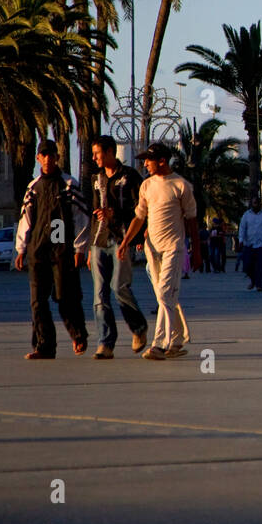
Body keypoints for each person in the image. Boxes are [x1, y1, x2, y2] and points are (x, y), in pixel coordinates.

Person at [117, 143, 202, 360]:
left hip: (173, 247)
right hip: (151, 248)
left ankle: (159, 344)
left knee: (165, 293)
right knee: (164, 296)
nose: (145, 163)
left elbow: (192, 220)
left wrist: (197, 251)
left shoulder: (181, 185)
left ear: (162, 161)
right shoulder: (146, 185)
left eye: (149, 160)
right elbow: (139, 217)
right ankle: (176, 339)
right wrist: (126, 241)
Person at [14, 139, 90, 359]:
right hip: (37, 250)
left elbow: (81, 217)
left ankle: (78, 336)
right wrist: (21, 248)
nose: (47, 159)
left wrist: (79, 248)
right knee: (37, 301)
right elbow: (25, 220)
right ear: (38, 158)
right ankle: (44, 346)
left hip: (61, 249)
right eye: (43, 155)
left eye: (51, 155)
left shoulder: (69, 184)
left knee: (65, 296)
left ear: (57, 157)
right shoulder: (33, 187)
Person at [89, 135, 150, 358]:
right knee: (99, 294)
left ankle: (138, 328)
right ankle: (105, 342)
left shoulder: (130, 177)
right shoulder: (96, 178)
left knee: (119, 287)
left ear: (110, 153)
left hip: (122, 239)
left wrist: (117, 216)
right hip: (99, 241)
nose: (94, 157)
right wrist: (88, 246)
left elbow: (141, 210)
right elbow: (93, 213)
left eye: (97, 153)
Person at [238, 196, 262, 292]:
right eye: (255, 203)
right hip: (249, 244)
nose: (256, 205)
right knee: (247, 266)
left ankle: (260, 285)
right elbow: (242, 228)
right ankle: (253, 280)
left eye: (258, 203)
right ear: (252, 204)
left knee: (261, 266)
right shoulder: (246, 215)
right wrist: (241, 240)